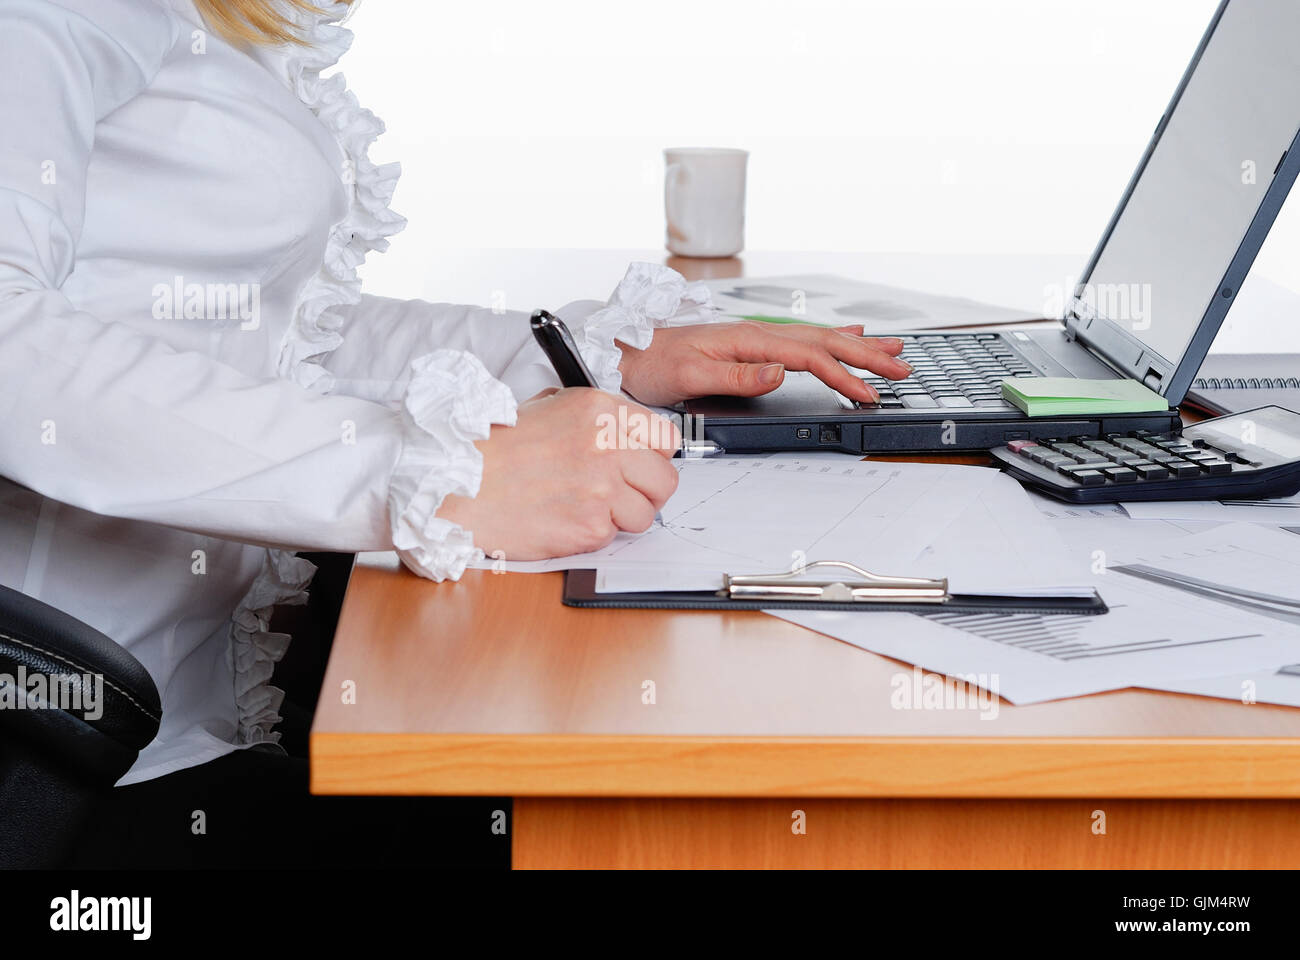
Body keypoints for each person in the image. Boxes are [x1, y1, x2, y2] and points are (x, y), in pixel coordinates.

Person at [0, 0, 910, 862]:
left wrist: (606, 354)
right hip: (67, 775)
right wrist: (431, 475)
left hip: (184, 719)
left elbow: (274, 336)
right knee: (637, 826)